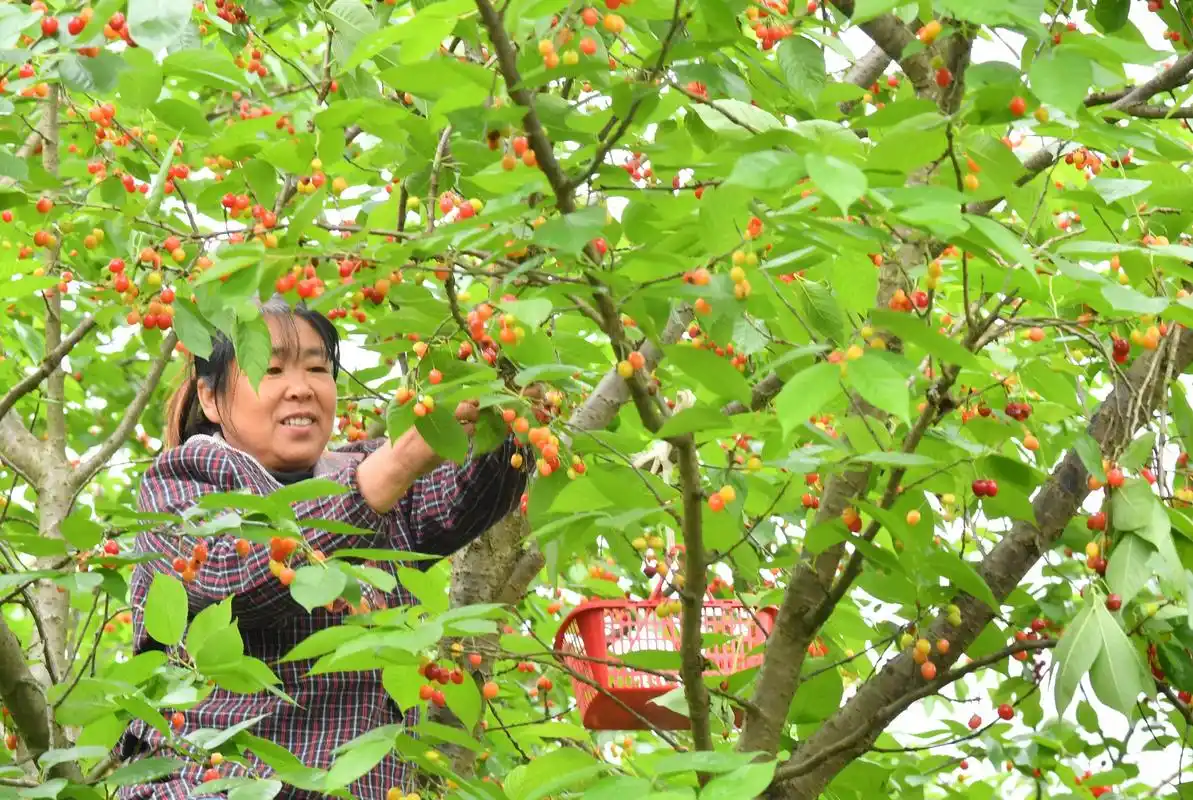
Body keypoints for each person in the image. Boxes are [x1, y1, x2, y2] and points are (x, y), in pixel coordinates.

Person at [116, 297, 532, 799]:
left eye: (318, 368)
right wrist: (388, 472)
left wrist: (508, 409)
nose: (301, 388)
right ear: (210, 399)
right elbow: (230, 580)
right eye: (270, 370)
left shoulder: (357, 471)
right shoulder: (185, 481)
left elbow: (463, 497)